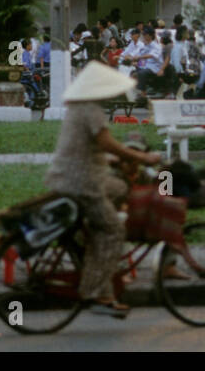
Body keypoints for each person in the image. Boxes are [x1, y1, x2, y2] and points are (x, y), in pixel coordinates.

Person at [44, 61, 160, 318]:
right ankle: (95, 293)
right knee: (114, 230)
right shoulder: (91, 109)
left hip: (71, 177)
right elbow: (106, 142)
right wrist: (142, 158)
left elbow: (88, 148)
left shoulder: (78, 107)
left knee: (115, 195)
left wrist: (114, 160)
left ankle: (100, 279)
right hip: (83, 183)